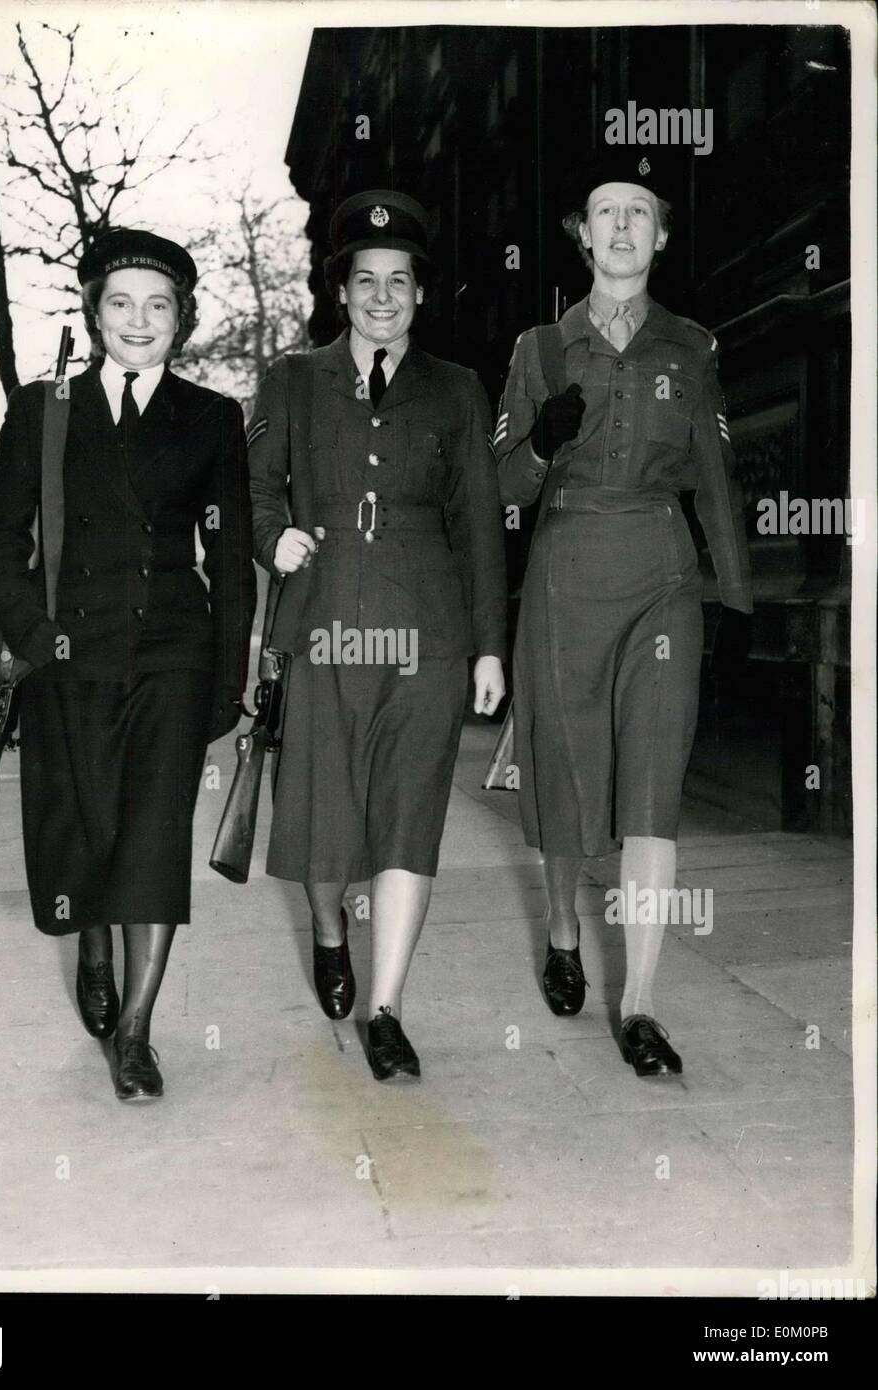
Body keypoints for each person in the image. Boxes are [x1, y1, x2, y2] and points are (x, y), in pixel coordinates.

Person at [0, 228, 256, 1102]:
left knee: (152, 839)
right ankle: (90, 939)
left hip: (170, 652)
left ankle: (136, 1031)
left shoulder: (210, 418)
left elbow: (233, 551)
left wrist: (227, 679)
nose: (140, 321)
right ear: (94, 312)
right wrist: (31, 633)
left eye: (159, 305)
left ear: (183, 322)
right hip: (67, 656)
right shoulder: (42, 408)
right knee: (83, 832)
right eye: (122, 302)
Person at [494, 154, 753, 1076]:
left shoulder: (692, 344)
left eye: (637, 213)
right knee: (564, 772)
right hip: (565, 570)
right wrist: (538, 444)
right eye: (604, 212)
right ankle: (563, 923)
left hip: (660, 575)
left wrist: (734, 592)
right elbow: (497, 486)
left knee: (650, 789)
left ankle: (639, 1003)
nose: (619, 228)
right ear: (581, 233)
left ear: (660, 235)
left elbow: (716, 476)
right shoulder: (538, 348)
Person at [248, 189, 507, 1082]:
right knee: (321, 811)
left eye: (400, 281)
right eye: (366, 280)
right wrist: (268, 535)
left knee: (407, 815)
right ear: (341, 290)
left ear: (420, 294)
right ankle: (329, 932)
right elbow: (253, 489)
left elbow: (479, 523)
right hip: (322, 628)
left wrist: (487, 647)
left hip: (425, 638)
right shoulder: (289, 380)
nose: (383, 297)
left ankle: (387, 1006)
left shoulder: (457, 390)